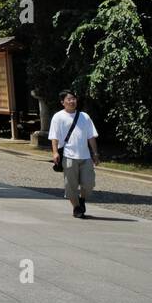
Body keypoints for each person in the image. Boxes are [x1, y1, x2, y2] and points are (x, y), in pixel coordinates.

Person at [49, 90, 100, 218]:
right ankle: (76, 207)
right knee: (70, 185)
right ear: (63, 102)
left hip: (85, 156)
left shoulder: (84, 116)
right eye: (69, 99)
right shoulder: (58, 117)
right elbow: (54, 137)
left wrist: (95, 153)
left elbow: (91, 136)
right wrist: (55, 152)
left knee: (89, 183)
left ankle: (82, 199)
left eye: (74, 99)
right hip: (68, 155)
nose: (72, 101)